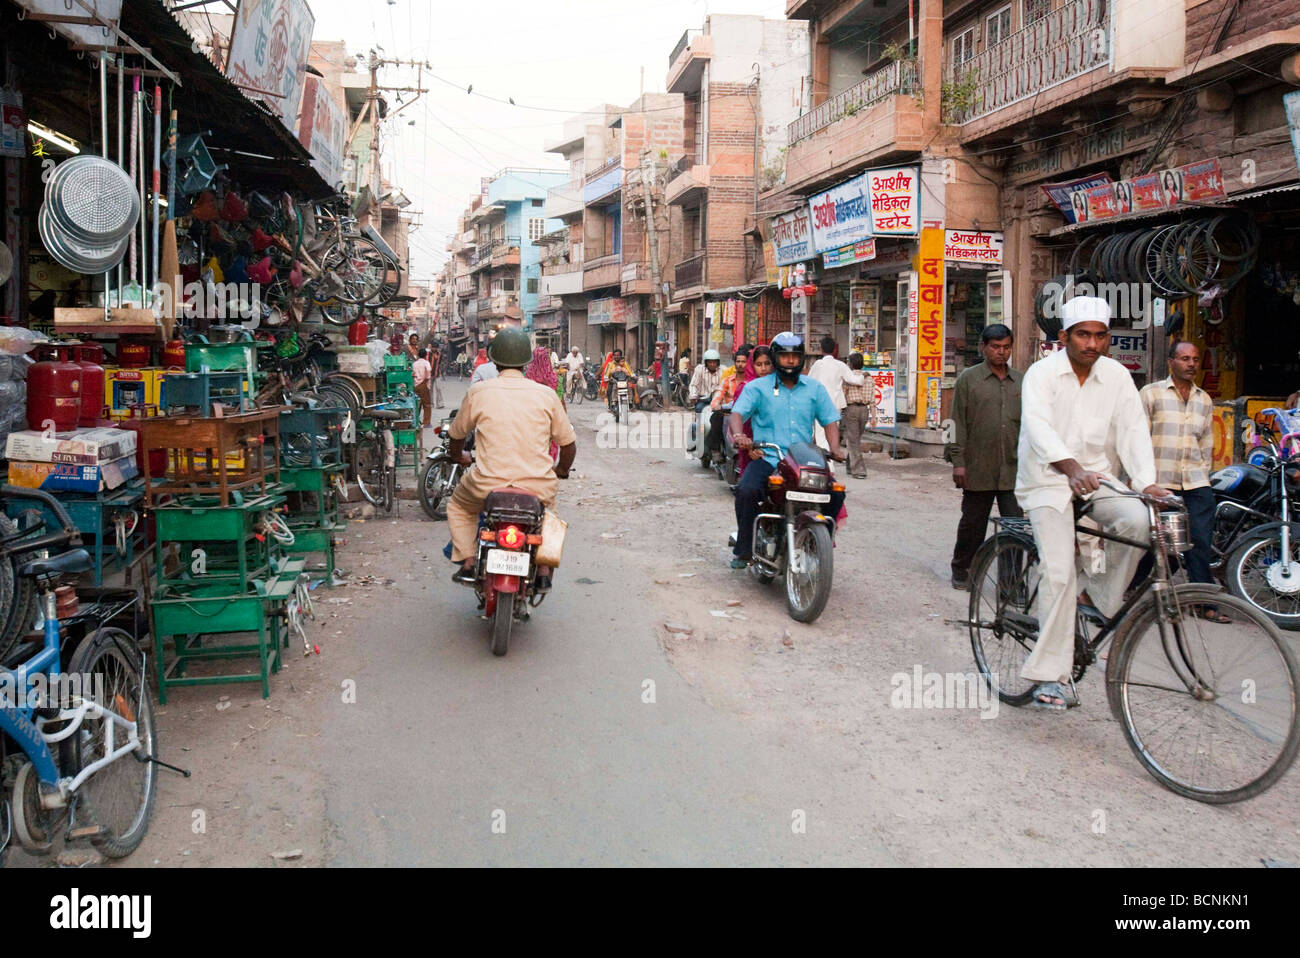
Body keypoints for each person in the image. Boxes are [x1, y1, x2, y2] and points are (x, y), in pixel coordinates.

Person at [1017, 296, 1172, 711]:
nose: (1092, 343)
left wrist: (1147, 482)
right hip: (1046, 479)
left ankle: (1097, 600)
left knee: (1140, 520)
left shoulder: (1118, 376)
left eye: (1100, 335)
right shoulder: (1042, 374)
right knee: (1059, 573)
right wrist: (1069, 468)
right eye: (1083, 334)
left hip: (1096, 476)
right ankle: (1051, 676)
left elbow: (1133, 429)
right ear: (1064, 336)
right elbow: (1037, 426)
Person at [446, 328, 577, 594]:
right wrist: (561, 470)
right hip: (537, 486)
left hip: (486, 485)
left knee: (459, 507)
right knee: (549, 515)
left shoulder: (479, 392)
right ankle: (542, 571)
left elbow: (456, 435)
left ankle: (469, 562)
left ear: (494, 359)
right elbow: (568, 445)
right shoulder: (546, 395)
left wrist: (457, 456)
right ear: (526, 361)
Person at [728, 331, 845, 569]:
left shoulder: (814, 388)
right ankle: (744, 549)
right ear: (775, 358)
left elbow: (829, 421)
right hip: (770, 458)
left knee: (836, 493)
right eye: (784, 356)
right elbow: (738, 413)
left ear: (801, 358)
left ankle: (820, 541)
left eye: (794, 356)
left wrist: (835, 448)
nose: (790, 361)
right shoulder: (757, 388)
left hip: (801, 461)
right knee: (747, 490)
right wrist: (740, 435)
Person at [1139, 341, 1222, 619]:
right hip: (1161, 481)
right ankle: (1133, 586)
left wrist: (1205, 474)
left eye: (1195, 359)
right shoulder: (1151, 395)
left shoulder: (1204, 400)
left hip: (1196, 481)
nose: (1191, 364)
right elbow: (1137, 439)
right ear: (1171, 362)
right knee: (1159, 543)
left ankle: (1204, 604)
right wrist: (1141, 479)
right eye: (1185, 358)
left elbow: (1206, 443)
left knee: (1199, 540)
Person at [948, 324, 1023, 589]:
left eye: (1006, 347)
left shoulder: (1022, 381)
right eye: (995, 347)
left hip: (1014, 470)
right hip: (977, 466)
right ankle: (963, 570)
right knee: (973, 524)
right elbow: (955, 422)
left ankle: (1012, 584)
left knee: (1015, 528)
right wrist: (958, 462)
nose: (1001, 353)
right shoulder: (969, 379)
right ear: (984, 347)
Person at [808, 335, 865, 452]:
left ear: (821, 349)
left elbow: (809, 383)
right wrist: (864, 374)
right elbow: (855, 380)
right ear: (834, 349)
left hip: (819, 404)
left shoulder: (817, 365)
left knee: (821, 435)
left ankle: (824, 463)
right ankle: (831, 463)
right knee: (833, 435)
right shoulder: (840, 365)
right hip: (835, 405)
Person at [728, 345, 772, 482]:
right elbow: (737, 415)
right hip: (750, 441)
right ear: (752, 365)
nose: (763, 368)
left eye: (767, 364)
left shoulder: (778, 386)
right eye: (759, 364)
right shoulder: (746, 387)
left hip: (773, 441)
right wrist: (742, 439)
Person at [708, 344, 752, 461]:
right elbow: (718, 396)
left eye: (743, 362)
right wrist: (716, 406)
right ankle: (716, 450)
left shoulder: (752, 382)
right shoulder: (728, 380)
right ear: (734, 363)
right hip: (728, 414)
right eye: (738, 361)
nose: (740, 364)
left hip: (747, 416)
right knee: (715, 418)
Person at [840, 352, 875, 480]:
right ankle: (850, 465)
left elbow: (843, 395)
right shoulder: (869, 378)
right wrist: (874, 416)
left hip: (852, 409)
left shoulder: (848, 378)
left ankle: (859, 470)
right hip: (864, 410)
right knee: (855, 438)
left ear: (850, 364)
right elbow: (872, 398)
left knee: (853, 439)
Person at [412, 348, 434, 427]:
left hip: (415, 385)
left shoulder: (414, 363)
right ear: (425, 355)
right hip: (424, 384)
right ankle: (426, 422)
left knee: (417, 404)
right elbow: (428, 371)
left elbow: (412, 373)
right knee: (427, 404)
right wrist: (427, 378)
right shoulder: (426, 363)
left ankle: (415, 422)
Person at [426, 340, 445, 408]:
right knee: (430, 390)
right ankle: (431, 403)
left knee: (439, 388)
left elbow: (439, 363)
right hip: (429, 375)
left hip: (437, 374)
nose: (434, 349)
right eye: (433, 347)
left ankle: (439, 404)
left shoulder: (440, 354)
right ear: (431, 347)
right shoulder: (427, 354)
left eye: (435, 347)